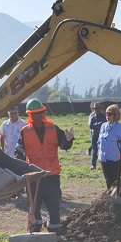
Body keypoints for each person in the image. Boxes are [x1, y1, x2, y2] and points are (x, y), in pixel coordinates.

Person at [15, 99, 74, 234]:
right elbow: (18, 153)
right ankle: (35, 227)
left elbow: (64, 145)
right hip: (34, 177)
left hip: (51, 175)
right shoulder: (25, 132)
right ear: (30, 115)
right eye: (35, 114)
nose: (39, 116)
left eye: (41, 113)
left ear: (44, 113)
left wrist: (69, 139)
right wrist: (21, 172)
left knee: (53, 204)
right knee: (34, 206)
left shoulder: (53, 128)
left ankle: (54, 228)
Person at [97, 104, 121, 189]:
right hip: (104, 158)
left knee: (115, 180)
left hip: (115, 158)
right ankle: (109, 196)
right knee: (108, 179)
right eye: (106, 114)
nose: (107, 116)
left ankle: (118, 195)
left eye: (109, 114)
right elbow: (99, 141)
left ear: (115, 115)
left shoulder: (120, 127)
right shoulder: (103, 126)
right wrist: (98, 152)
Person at [88, 102, 106, 170]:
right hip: (94, 135)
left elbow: (103, 124)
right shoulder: (93, 116)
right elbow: (90, 126)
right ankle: (93, 165)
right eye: (95, 109)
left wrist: (95, 125)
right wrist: (98, 124)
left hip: (101, 135)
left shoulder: (103, 116)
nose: (96, 110)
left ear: (100, 108)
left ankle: (104, 164)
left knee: (102, 149)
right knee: (94, 150)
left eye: (98, 108)